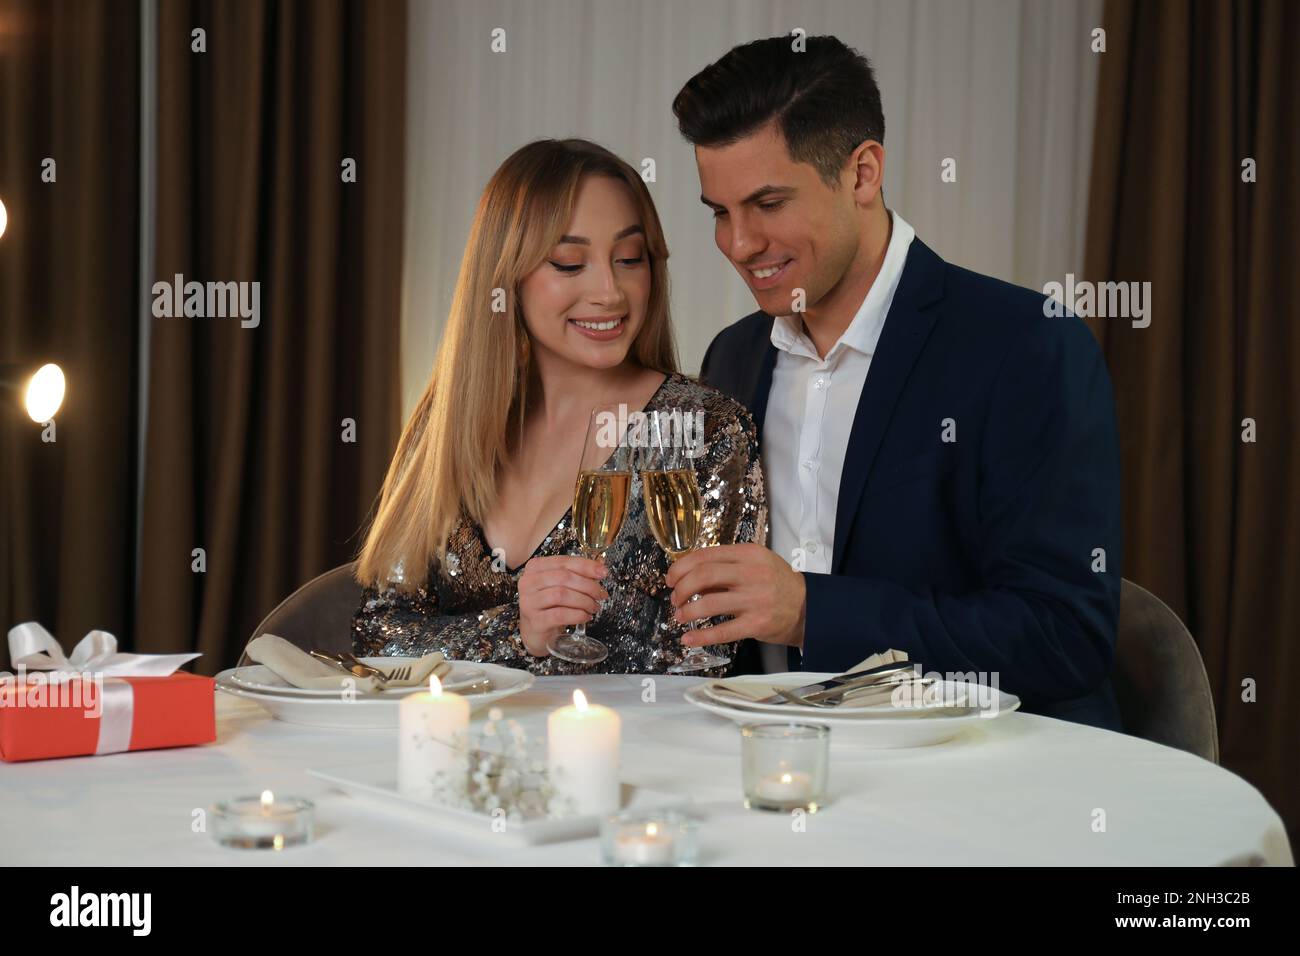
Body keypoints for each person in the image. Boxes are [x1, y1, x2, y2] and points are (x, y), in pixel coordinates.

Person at [667, 35, 1124, 729]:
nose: (739, 244)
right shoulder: (732, 358)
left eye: (767, 203)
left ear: (863, 173)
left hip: (984, 786)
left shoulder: (1027, 345)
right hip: (769, 772)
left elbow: (1062, 637)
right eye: (720, 212)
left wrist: (811, 613)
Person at [351, 138, 767, 676]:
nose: (609, 291)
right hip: (456, 756)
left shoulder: (702, 429)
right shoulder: (445, 422)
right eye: (570, 263)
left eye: (629, 259)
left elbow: (702, 658)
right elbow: (378, 637)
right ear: (506, 277)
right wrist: (516, 633)